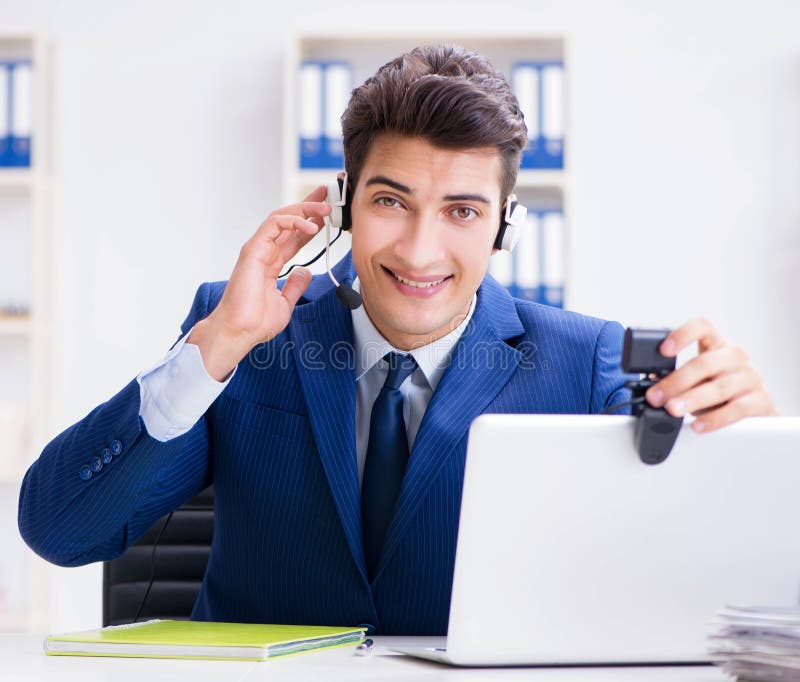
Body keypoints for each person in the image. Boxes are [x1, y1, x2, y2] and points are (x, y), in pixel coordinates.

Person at [18, 44, 776, 635]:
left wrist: (742, 447)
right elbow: (59, 528)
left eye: (463, 212)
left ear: (506, 223)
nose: (418, 251)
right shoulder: (239, 334)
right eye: (391, 200)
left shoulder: (586, 364)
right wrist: (216, 348)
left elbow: (713, 582)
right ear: (344, 204)